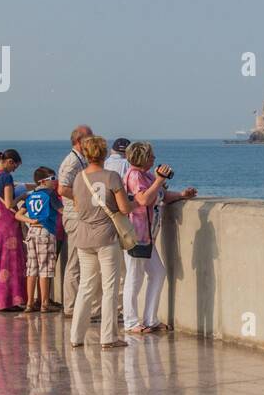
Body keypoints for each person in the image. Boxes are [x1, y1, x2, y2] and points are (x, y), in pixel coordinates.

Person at [122, 141, 196, 334]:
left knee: (158, 273)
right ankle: (130, 322)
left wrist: (181, 195)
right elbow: (144, 199)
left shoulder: (146, 176)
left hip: (147, 236)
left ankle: (150, 319)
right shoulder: (134, 176)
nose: (155, 158)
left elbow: (160, 195)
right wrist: (159, 180)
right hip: (135, 235)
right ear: (143, 158)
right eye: (151, 155)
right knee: (134, 277)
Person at [69, 135, 132, 349]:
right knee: (110, 288)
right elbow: (124, 208)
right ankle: (109, 337)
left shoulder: (78, 178)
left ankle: (76, 336)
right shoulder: (112, 177)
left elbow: (78, 206)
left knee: (86, 287)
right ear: (104, 153)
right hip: (106, 237)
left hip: (83, 237)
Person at [0, 149, 28, 311]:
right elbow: (9, 203)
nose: (14, 170)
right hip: (8, 222)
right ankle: (10, 300)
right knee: (12, 261)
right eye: (15, 166)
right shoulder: (5, 177)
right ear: (9, 161)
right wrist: (22, 197)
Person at [58, 125, 94, 317]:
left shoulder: (79, 160)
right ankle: (71, 307)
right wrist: (83, 199)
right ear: (80, 142)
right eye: (90, 137)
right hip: (74, 217)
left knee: (79, 263)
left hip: (78, 216)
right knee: (74, 263)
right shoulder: (72, 162)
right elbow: (62, 188)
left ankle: (74, 305)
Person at [16, 166, 63, 313]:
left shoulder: (32, 195)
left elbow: (18, 214)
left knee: (32, 269)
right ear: (43, 181)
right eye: (53, 179)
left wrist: (30, 221)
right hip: (46, 232)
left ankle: (29, 303)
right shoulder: (49, 194)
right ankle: (44, 303)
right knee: (45, 269)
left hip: (32, 233)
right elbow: (62, 210)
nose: (55, 182)